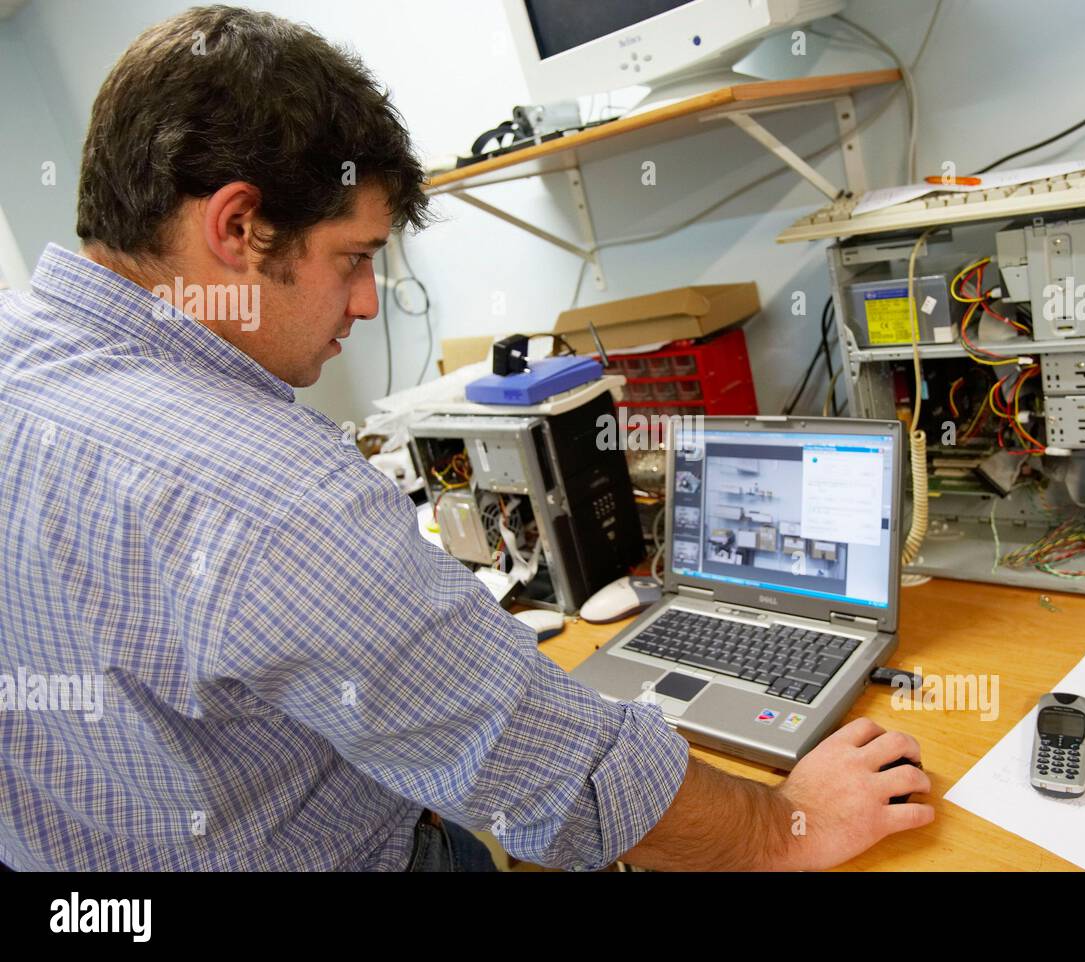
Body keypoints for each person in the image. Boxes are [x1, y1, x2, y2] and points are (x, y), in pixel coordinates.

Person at [0, 6, 932, 872]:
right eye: (354, 259)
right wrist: (784, 823)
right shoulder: (262, 491)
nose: (366, 302)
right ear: (238, 226)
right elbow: (561, 776)